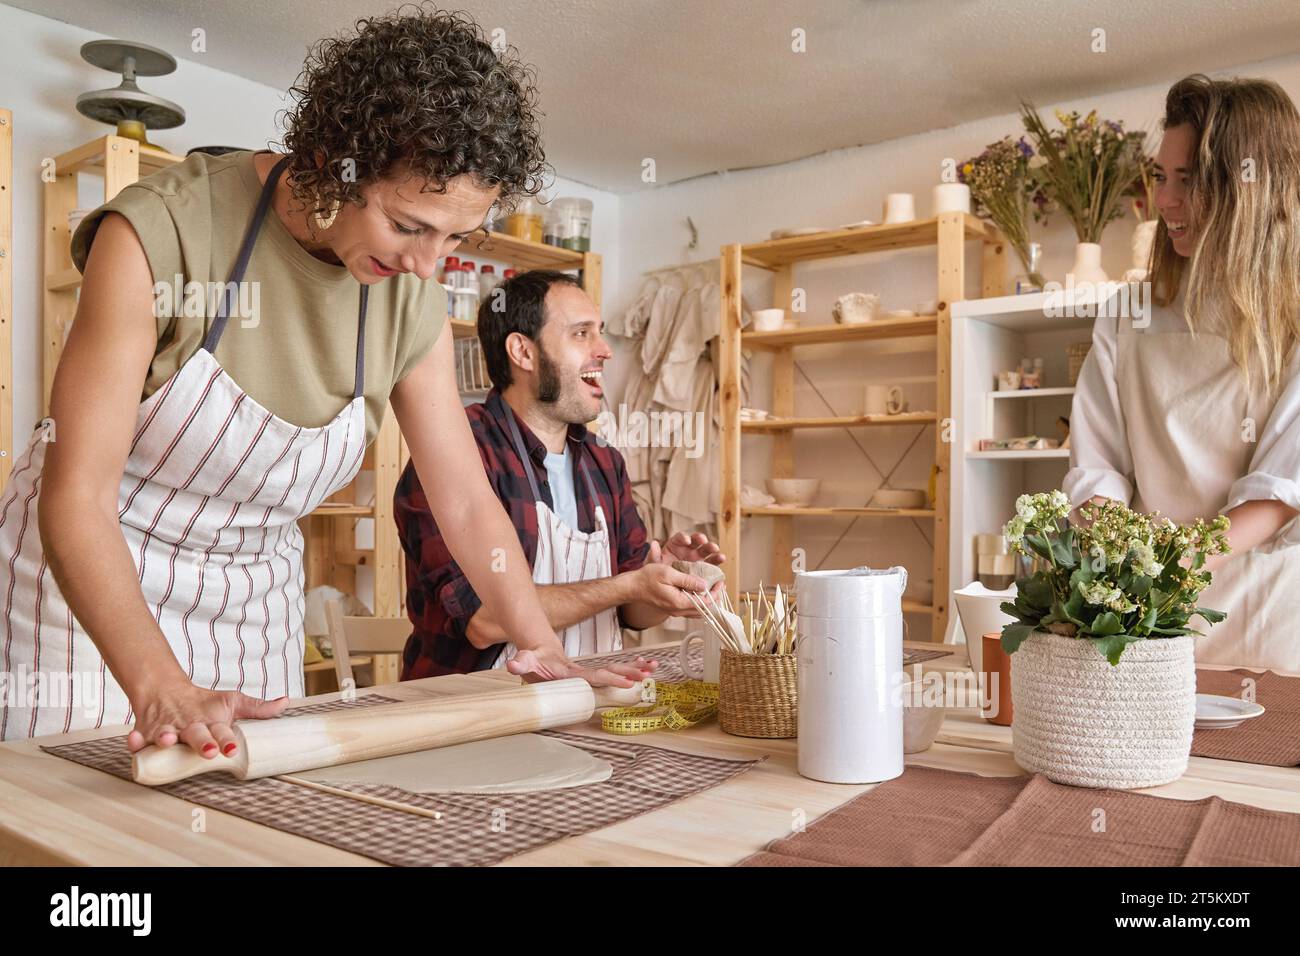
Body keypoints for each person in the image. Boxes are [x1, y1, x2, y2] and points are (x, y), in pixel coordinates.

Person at [0, 9, 650, 754]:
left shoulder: (411, 301)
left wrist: (540, 647)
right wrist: (159, 685)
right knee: (90, 831)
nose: (426, 265)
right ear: (331, 159)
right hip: (88, 593)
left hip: (251, 603)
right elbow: (78, 496)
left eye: (453, 237)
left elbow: (468, 503)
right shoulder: (162, 234)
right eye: (408, 226)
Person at [1066, 73, 1300, 672]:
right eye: (1162, 177)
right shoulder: (1127, 315)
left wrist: (1170, 565)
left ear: (1252, 187)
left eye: (1189, 181)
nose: (1164, 201)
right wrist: (1112, 558)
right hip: (1150, 628)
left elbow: (1277, 495)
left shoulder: (1292, 322)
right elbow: (1098, 467)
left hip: (1267, 625)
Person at [397, 270, 725, 677]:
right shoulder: (458, 453)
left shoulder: (603, 461)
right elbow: (483, 621)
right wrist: (627, 585)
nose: (605, 350)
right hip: (480, 710)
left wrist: (662, 585)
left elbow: (631, 614)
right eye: (582, 333)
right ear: (523, 352)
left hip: (589, 694)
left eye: (599, 333)